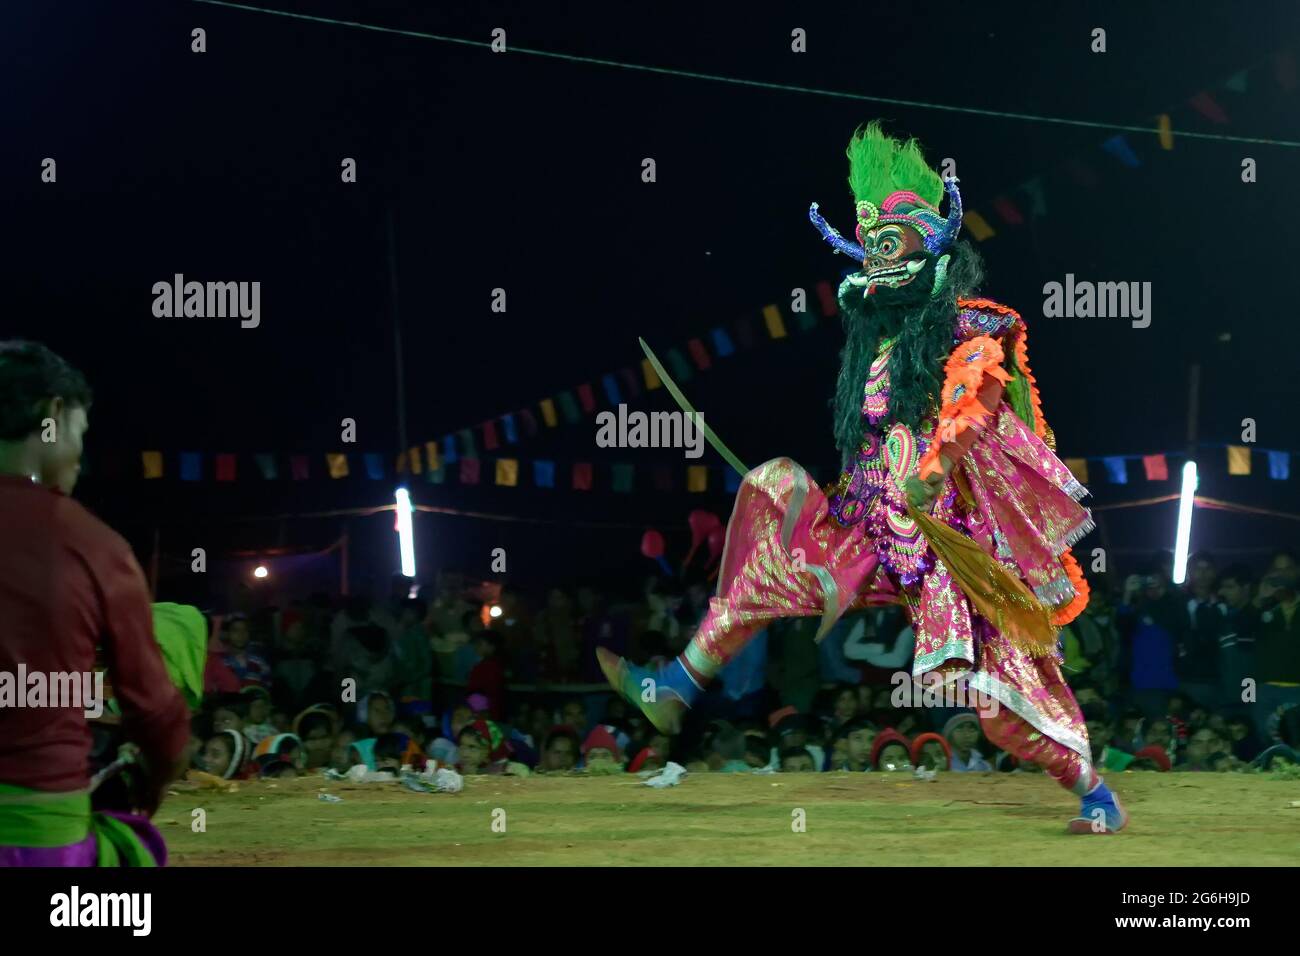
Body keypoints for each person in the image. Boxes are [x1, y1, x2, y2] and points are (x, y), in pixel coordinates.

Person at [597, 122, 1126, 832]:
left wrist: (933, 472)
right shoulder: (876, 343)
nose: (877, 260)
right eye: (868, 245)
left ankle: (1092, 787)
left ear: (926, 243)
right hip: (875, 527)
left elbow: (974, 406)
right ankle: (675, 683)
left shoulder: (970, 326)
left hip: (956, 547)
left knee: (1000, 714)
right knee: (775, 511)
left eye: (889, 244)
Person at [0, 341, 190, 865]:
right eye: (81, 434)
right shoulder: (93, 546)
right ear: (53, 415)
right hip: (42, 842)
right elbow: (157, 715)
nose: (81, 456)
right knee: (137, 852)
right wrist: (151, 783)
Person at [1253, 550, 1300, 741]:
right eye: (1276, 569)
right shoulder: (1261, 607)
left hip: (1298, 688)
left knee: (1295, 741)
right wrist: (1260, 598)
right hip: (1263, 689)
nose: (1282, 574)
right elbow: (1240, 630)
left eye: (1287, 568)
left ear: (1297, 571)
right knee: (1264, 738)